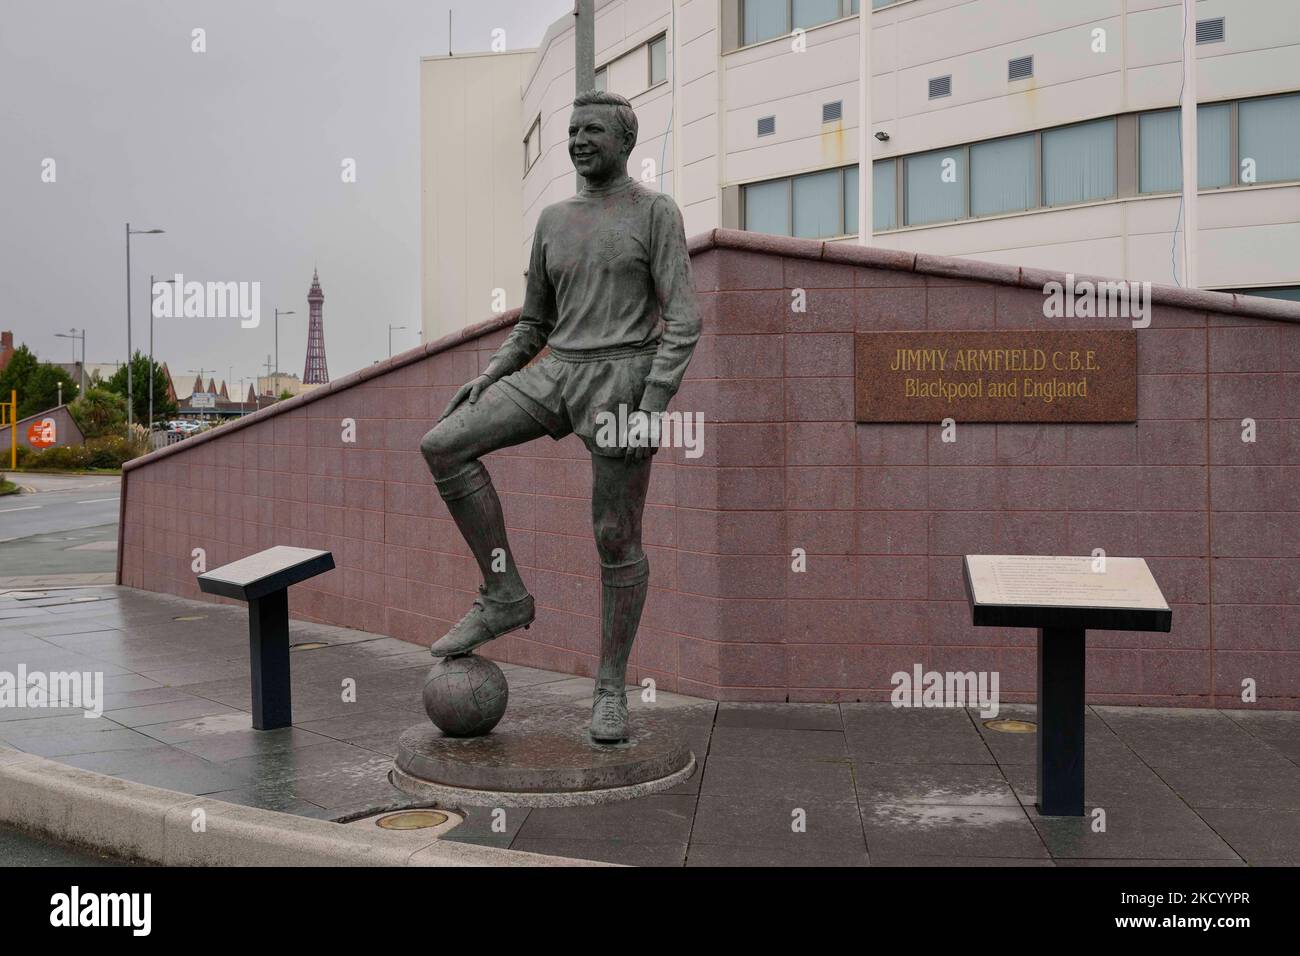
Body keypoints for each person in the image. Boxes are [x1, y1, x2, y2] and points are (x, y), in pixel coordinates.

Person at [418, 90, 700, 742]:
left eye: (591, 131)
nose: (577, 141)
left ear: (624, 141)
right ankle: (504, 594)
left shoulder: (655, 213)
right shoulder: (552, 220)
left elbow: (685, 319)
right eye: (572, 131)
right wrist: (488, 377)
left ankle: (608, 689)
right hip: (554, 371)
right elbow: (534, 324)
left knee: (614, 536)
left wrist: (653, 407)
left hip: (624, 380)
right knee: (445, 444)